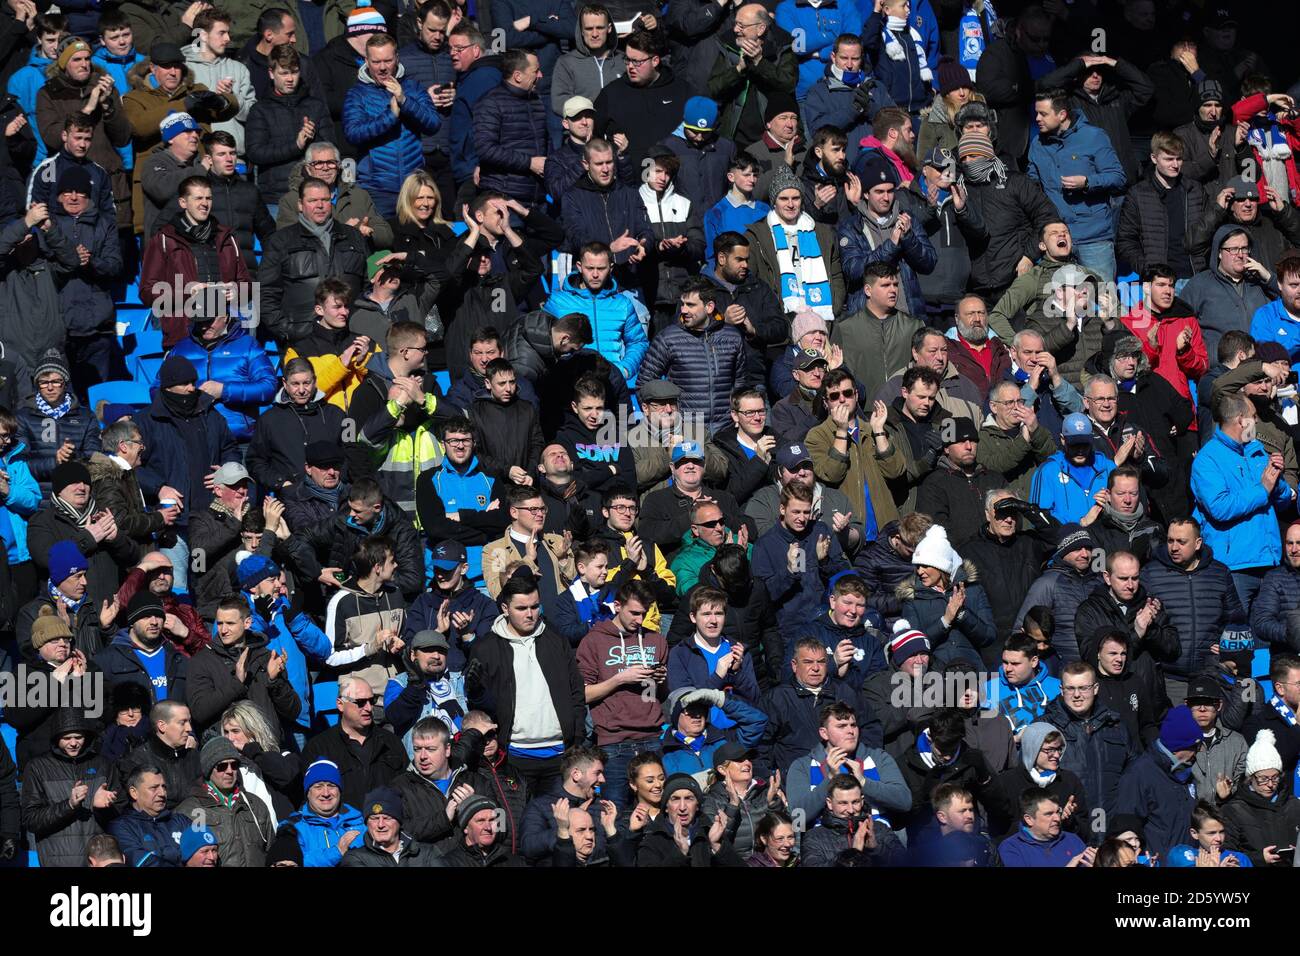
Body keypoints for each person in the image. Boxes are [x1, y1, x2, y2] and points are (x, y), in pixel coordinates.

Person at [465, 570, 585, 793]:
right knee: (516, 825)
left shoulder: (556, 640)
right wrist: (477, 692)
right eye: (521, 608)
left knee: (559, 824)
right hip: (514, 757)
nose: (530, 614)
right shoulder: (486, 648)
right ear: (505, 609)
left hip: (560, 754)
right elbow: (483, 707)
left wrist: (576, 736)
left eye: (535, 606)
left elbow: (576, 690)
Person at [1191, 392, 1293, 611]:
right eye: (1253, 416)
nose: (1256, 421)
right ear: (1240, 420)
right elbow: (1220, 507)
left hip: (1270, 561)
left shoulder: (1257, 451)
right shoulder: (1208, 459)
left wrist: (1278, 480)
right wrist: (1262, 489)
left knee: (1269, 638)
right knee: (1237, 639)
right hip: (1235, 567)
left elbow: (1283, 501)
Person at [576, 579, 668, 808]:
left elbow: (662, 695)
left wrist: (661, 681)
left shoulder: (656, 640)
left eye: (644, 614)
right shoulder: (594, 641)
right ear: (617, 606)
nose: (639, 620)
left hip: (652, 739)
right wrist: (619, 679)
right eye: (634, 613)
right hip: (613, 743)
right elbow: (584, 694)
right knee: (615, 811)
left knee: (655, 809)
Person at [341, 32, 442, 218]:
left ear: (397, 58)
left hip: (413, 186)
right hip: (376, 187)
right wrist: (390, 117)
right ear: (366, 60)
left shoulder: (413, 87)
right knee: (383, 243)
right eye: (376, 62)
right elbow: (352, 133)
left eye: (387, 61)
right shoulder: (357, 93)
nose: (382, 68)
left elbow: (434, 124)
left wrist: (404, 101)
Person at [259, 176, 369, 344]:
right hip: (301, 339)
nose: (320, 205)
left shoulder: (353, 237)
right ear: (300, 205)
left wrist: (360, 324)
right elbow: (266, 292)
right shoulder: (281, 241)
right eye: (313, 200)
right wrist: (286, 331)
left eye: (325, 200)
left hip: (349, 336)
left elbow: (367, 286)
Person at [638, 278, 749, 435]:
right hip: (685, 432)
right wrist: (664, 424)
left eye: (690, 305)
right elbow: (644, 385)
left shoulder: (732, 337)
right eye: (682, 304)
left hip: (726, 430)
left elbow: (740, 383)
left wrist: (737, 418)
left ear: (709, 307)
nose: (683, 310)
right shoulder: (668, 339)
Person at [18, 708, 122, 868]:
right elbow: (31, 820)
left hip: (99, 861)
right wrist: (69, 805)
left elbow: (119, 815)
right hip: (58, 861)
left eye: (78, 737)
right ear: (56, 738)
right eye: (67, 738)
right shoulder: (38, 767)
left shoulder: (102, 764)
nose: (73, 743)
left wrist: (102, 808)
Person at [746, 166, 844, 324]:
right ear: (774, 202)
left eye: (796, 198)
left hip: (821, 319)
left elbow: (836, 274)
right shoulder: (757, 235)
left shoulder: (822, 232)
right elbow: (752, 280)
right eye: (784, 199)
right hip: (780, 321)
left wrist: (834, 306)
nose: (790, 204)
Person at [244, 44, 335, 209]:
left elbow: (331, 148)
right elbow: (255, 152)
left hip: (315, 196)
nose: (290, 78)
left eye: (294, 72)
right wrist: (296, 145)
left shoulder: (315, 106)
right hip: (276, 198)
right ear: (271, 74)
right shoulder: (260, 110)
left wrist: (313, 138)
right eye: (284, 73)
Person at [544, 240, 648, 382]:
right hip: (573, 385)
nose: (595, 274)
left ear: (611, 268)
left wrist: (625, 369)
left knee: (623, 406)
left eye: (601, 268)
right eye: (590, 268)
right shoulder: (558, 302)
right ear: (579, 267)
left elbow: (638, 342)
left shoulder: (622, 304)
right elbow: (543, 341)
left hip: (612, 383)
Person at [1043, 661, 1137, 819]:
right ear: (1061, 690)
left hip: (1111, 821)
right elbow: (1030, 779)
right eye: (1070, 688)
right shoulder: (1044, 728)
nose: (1077, 695)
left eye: (1083, 688)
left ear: (1095, 689)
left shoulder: (1116, 725)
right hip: (1066, 824)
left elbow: (1134, 772)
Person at [302, 675, 407, 809]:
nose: (369, 708)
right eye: (361, 702)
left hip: (384, 825)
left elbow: (407, 791)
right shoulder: (319, 747)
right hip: (342, 827)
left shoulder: (391, 742)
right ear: (340, 704)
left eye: (371, 700)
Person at [1115, 705, 1203, 859]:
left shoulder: (1184, 772)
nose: (1198, 751)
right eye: (1195, 746)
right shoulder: (1138, 775)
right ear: (1178, 747)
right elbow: (1127, 830)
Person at [592, 29, 690, 168]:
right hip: (629, 178)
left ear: (655, 60)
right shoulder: (612, 93)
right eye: (627, 60)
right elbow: (594, 137)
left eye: (637, 62)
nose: (630, 67)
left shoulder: (682, 90)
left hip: (673, 176)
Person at [1181, 225, 1279, 362]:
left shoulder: (1259, 284)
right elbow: (1180, 325)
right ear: (1219, 253)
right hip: (1220, 371)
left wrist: (1269, 278)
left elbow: (1292, 302)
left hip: (1259, 369)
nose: (1240, 254)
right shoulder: (1199, 285)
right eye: (1233, 249)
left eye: (1244, 249)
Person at [705, 5, 797, 152]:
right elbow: (713, 88)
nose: (735, 29)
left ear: (760, 29)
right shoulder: (728, 45)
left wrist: (760, 63)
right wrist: (738, 69)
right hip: (734, 134)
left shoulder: (782, 46)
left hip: (770, 134)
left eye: (741, 26)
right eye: (735, 24)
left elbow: (788, 84)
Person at [272, 141, 392, 247]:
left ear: (339, 166)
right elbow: (287, 241)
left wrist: (369, 233)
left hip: (356, 262)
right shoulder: (292, 200)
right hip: (313, 267)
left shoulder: (359, 196)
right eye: (318, 163)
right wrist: (343, 232)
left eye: (331, 162)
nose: (325, 168)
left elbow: (387, 236)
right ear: (308, 169)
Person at [985, 721, 1089, 841]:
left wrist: (1069, 820)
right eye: (1050, 750)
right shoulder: (1007, 781)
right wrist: (1037, 826)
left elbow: (1085, 833)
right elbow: (998, 830)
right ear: (1032, 749)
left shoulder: (1069, 781)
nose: (1056, 755)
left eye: (1059, 749)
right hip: (1020, 854)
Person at [519, 745, 611, 865]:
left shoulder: (602, 806)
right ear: (576, 774)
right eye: (597, 773)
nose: (603, 779)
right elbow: (528, 847)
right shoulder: (540, 806)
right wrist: (564, 829)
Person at [1219, 729, 1300, 867]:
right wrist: (1259, 858)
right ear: (1250, 778)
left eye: (1275, 778)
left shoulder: (1294, 805)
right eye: (1263, 779)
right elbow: (1228, 854)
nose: (1270, 784)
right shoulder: (1233, 810)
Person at [180, 8, 255, 156]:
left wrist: (231, 97)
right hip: (195, 156)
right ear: (203, 35)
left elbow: (252, 115)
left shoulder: (239, 69)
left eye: (228, 33)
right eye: (221, 33)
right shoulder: (182, 67)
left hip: (233, 156)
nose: (228, 38)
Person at [280, 758, 366, 867]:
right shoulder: (291, 827)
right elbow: (293, 863)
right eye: (318, 786)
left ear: (339, 791)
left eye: (331, 786)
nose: (326, 793)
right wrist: (337, 851)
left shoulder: (360, 822)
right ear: (308, 793)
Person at [549, 5, 624, 120]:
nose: (594, 34)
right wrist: (589, 113)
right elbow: (559, 101)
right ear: (581, 31)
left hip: (620, 132)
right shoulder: (566, 62)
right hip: (584, 132)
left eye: (600, 28)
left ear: (609, 28)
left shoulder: (623, 60)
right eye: (589, 29)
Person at [337, 786, 444, 867]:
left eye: (387, 818)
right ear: (366, 823)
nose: (380, 825)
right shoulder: (355, 859)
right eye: (374, 818)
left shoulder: (427, 853)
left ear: (399, 821)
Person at [107, 764, 187, 865]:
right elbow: (141, 861)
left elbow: (205, 852)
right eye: (154, 788)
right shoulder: (121, 827)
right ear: (134, 793)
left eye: (164, 787)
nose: (162, 793)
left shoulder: (181, 821)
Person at [986, 632, 1061, 735]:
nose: (1008, 669)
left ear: (1034, 661)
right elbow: (984, 736)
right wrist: (1015, 740)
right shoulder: (988, 689)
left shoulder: (1057, 688)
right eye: (1005, 662)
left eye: (1015, 663)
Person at [997, 788, 1094, 868]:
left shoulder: (1073, 840)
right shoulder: (1011, 848)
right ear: (1029, 819)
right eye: (1049, 814)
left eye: (1057, 812)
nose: (1057, 818)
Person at [1167, 802, 1252, 868]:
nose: (1218, 838)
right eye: (1211, 833)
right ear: (1194, 833)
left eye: (1222, 832)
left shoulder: (1239, 859)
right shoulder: (1181, 856)